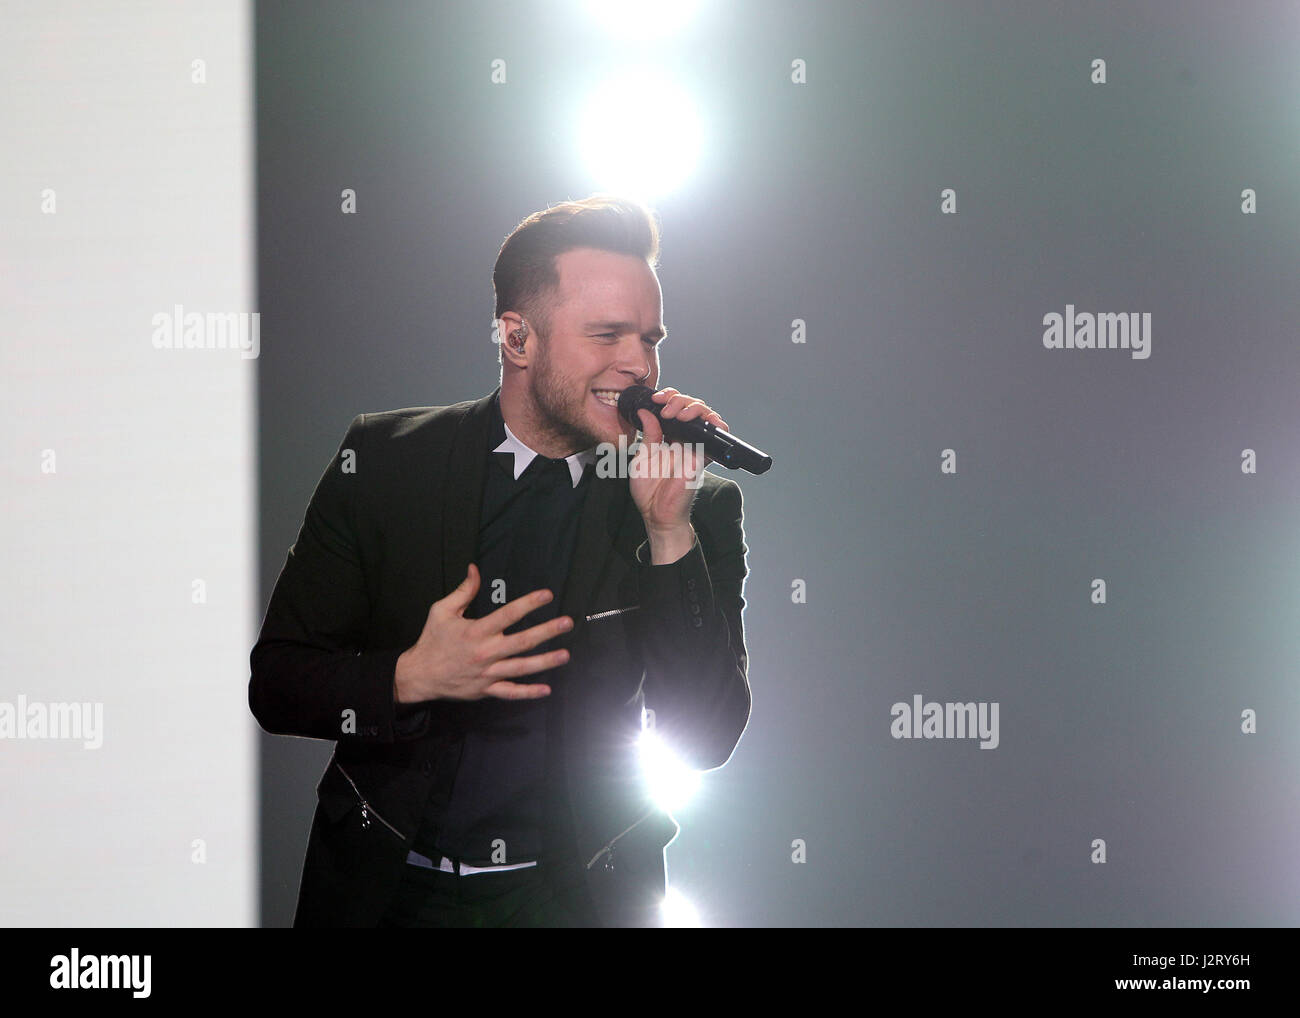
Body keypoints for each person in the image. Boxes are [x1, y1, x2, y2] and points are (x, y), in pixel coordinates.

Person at [248, 194, 751, 927]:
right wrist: (410, 677)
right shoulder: (387, 463)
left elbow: (705, 737)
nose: (638, 365)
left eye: (649, 338)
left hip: (573, 902)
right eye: (607, 335)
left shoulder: (693, 507)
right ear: (518, 338)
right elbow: (278, 684)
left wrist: (669, 535)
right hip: (391, 894)